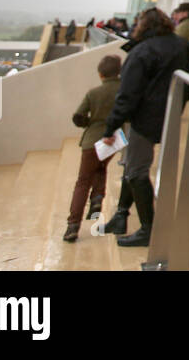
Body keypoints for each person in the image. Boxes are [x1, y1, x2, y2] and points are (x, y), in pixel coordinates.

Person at [100, 8, 189, 247]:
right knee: (132, 166)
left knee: (136, 171)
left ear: (143, 25)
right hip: (169, 115)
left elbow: (127, 95)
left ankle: (148, 229)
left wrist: (110, 127)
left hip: (145, 119)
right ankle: (120, 216)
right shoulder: (180, 45)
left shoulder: (142, 51)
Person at [63, 53, 121, 242]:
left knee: (82, 182)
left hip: (92, 142)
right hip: (113, 140)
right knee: (101, 168)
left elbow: (77, 117)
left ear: (100, 74)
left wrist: (90, 122)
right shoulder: (124, 90)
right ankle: (97, 198)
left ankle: (73, 226)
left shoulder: (93, 93)